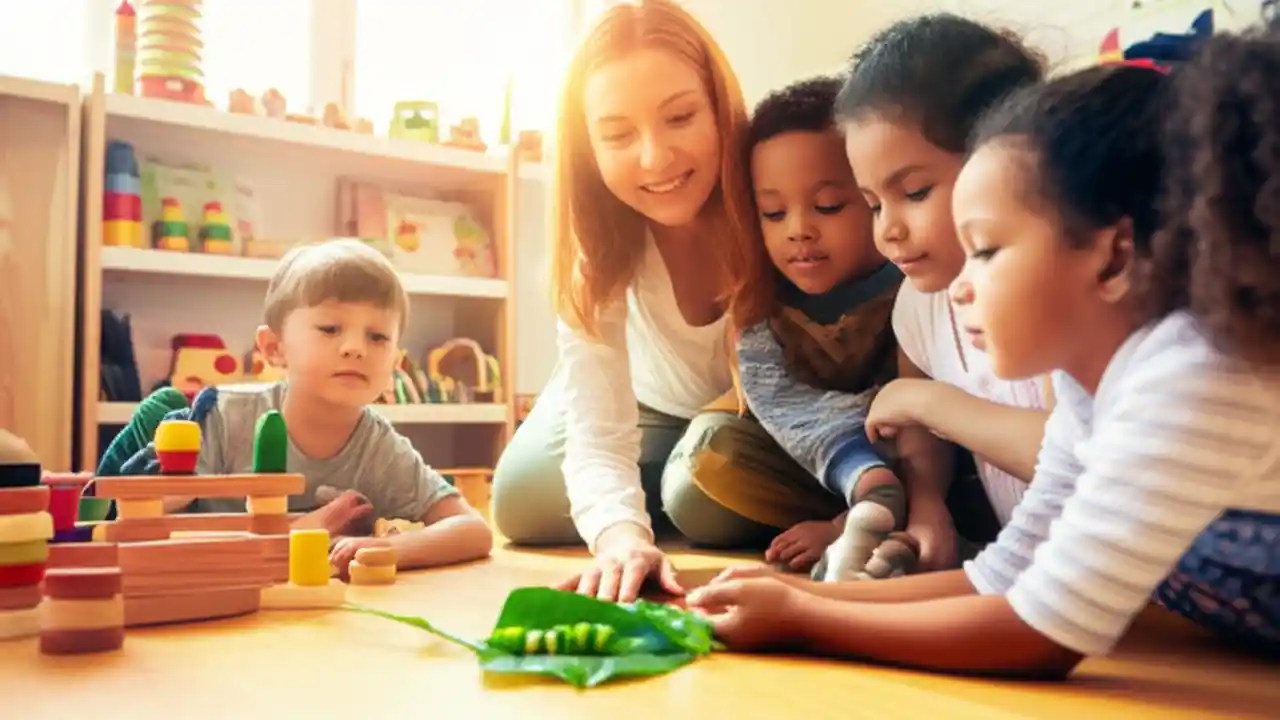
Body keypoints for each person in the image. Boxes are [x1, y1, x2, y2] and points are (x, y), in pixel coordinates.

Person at [690, 49, 1280, 672]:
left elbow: (1042, 633)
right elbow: (1006, 574)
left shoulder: (1195, 375)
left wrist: (807, 621)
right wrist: (798, 592)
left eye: (988, 251)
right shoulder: (1091, 391)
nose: (961, 287)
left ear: (1112, 257)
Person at [490, 0, 780, 602]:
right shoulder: (599, 242)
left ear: (720, 111)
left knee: (703, 501)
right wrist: (621, 536)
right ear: (587, 146)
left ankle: (671, 482)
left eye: (680, 117)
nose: (654, 158)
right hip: (641, 400)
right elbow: (599, 432)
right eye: (618, 134)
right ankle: (654, 486)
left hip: (742, 413)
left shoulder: (773, 202)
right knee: (520, 501)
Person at [112, 240, 493, 576]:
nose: (355, 347)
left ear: (395, 362)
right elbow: (139, 525)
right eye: (330, 329)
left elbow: (473, 530)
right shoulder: (226, 419)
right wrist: (302, 532)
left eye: (377, 336)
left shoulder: (380, 449)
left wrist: (389, 550)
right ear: (274, 348)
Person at [833, 14, 1051, 569]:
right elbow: (919, 437)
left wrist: (929, 402)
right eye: (873, 203)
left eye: (914, 191)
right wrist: (929, 508)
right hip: (1033, 564)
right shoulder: (918, 303)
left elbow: (1071, 454)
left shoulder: (1058, 287)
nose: (888, 229)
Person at [694, 75, 917, 580]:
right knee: (702, 467)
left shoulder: (912, 283)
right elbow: (783, 404)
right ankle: (867, 514)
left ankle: (881, 524)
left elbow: (921, 407)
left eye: (828, 206)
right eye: (773, 212)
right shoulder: (760, 305)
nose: (798, 229)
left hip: (917, 462)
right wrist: (858, 476)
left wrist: (852, 513)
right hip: (821, 458)